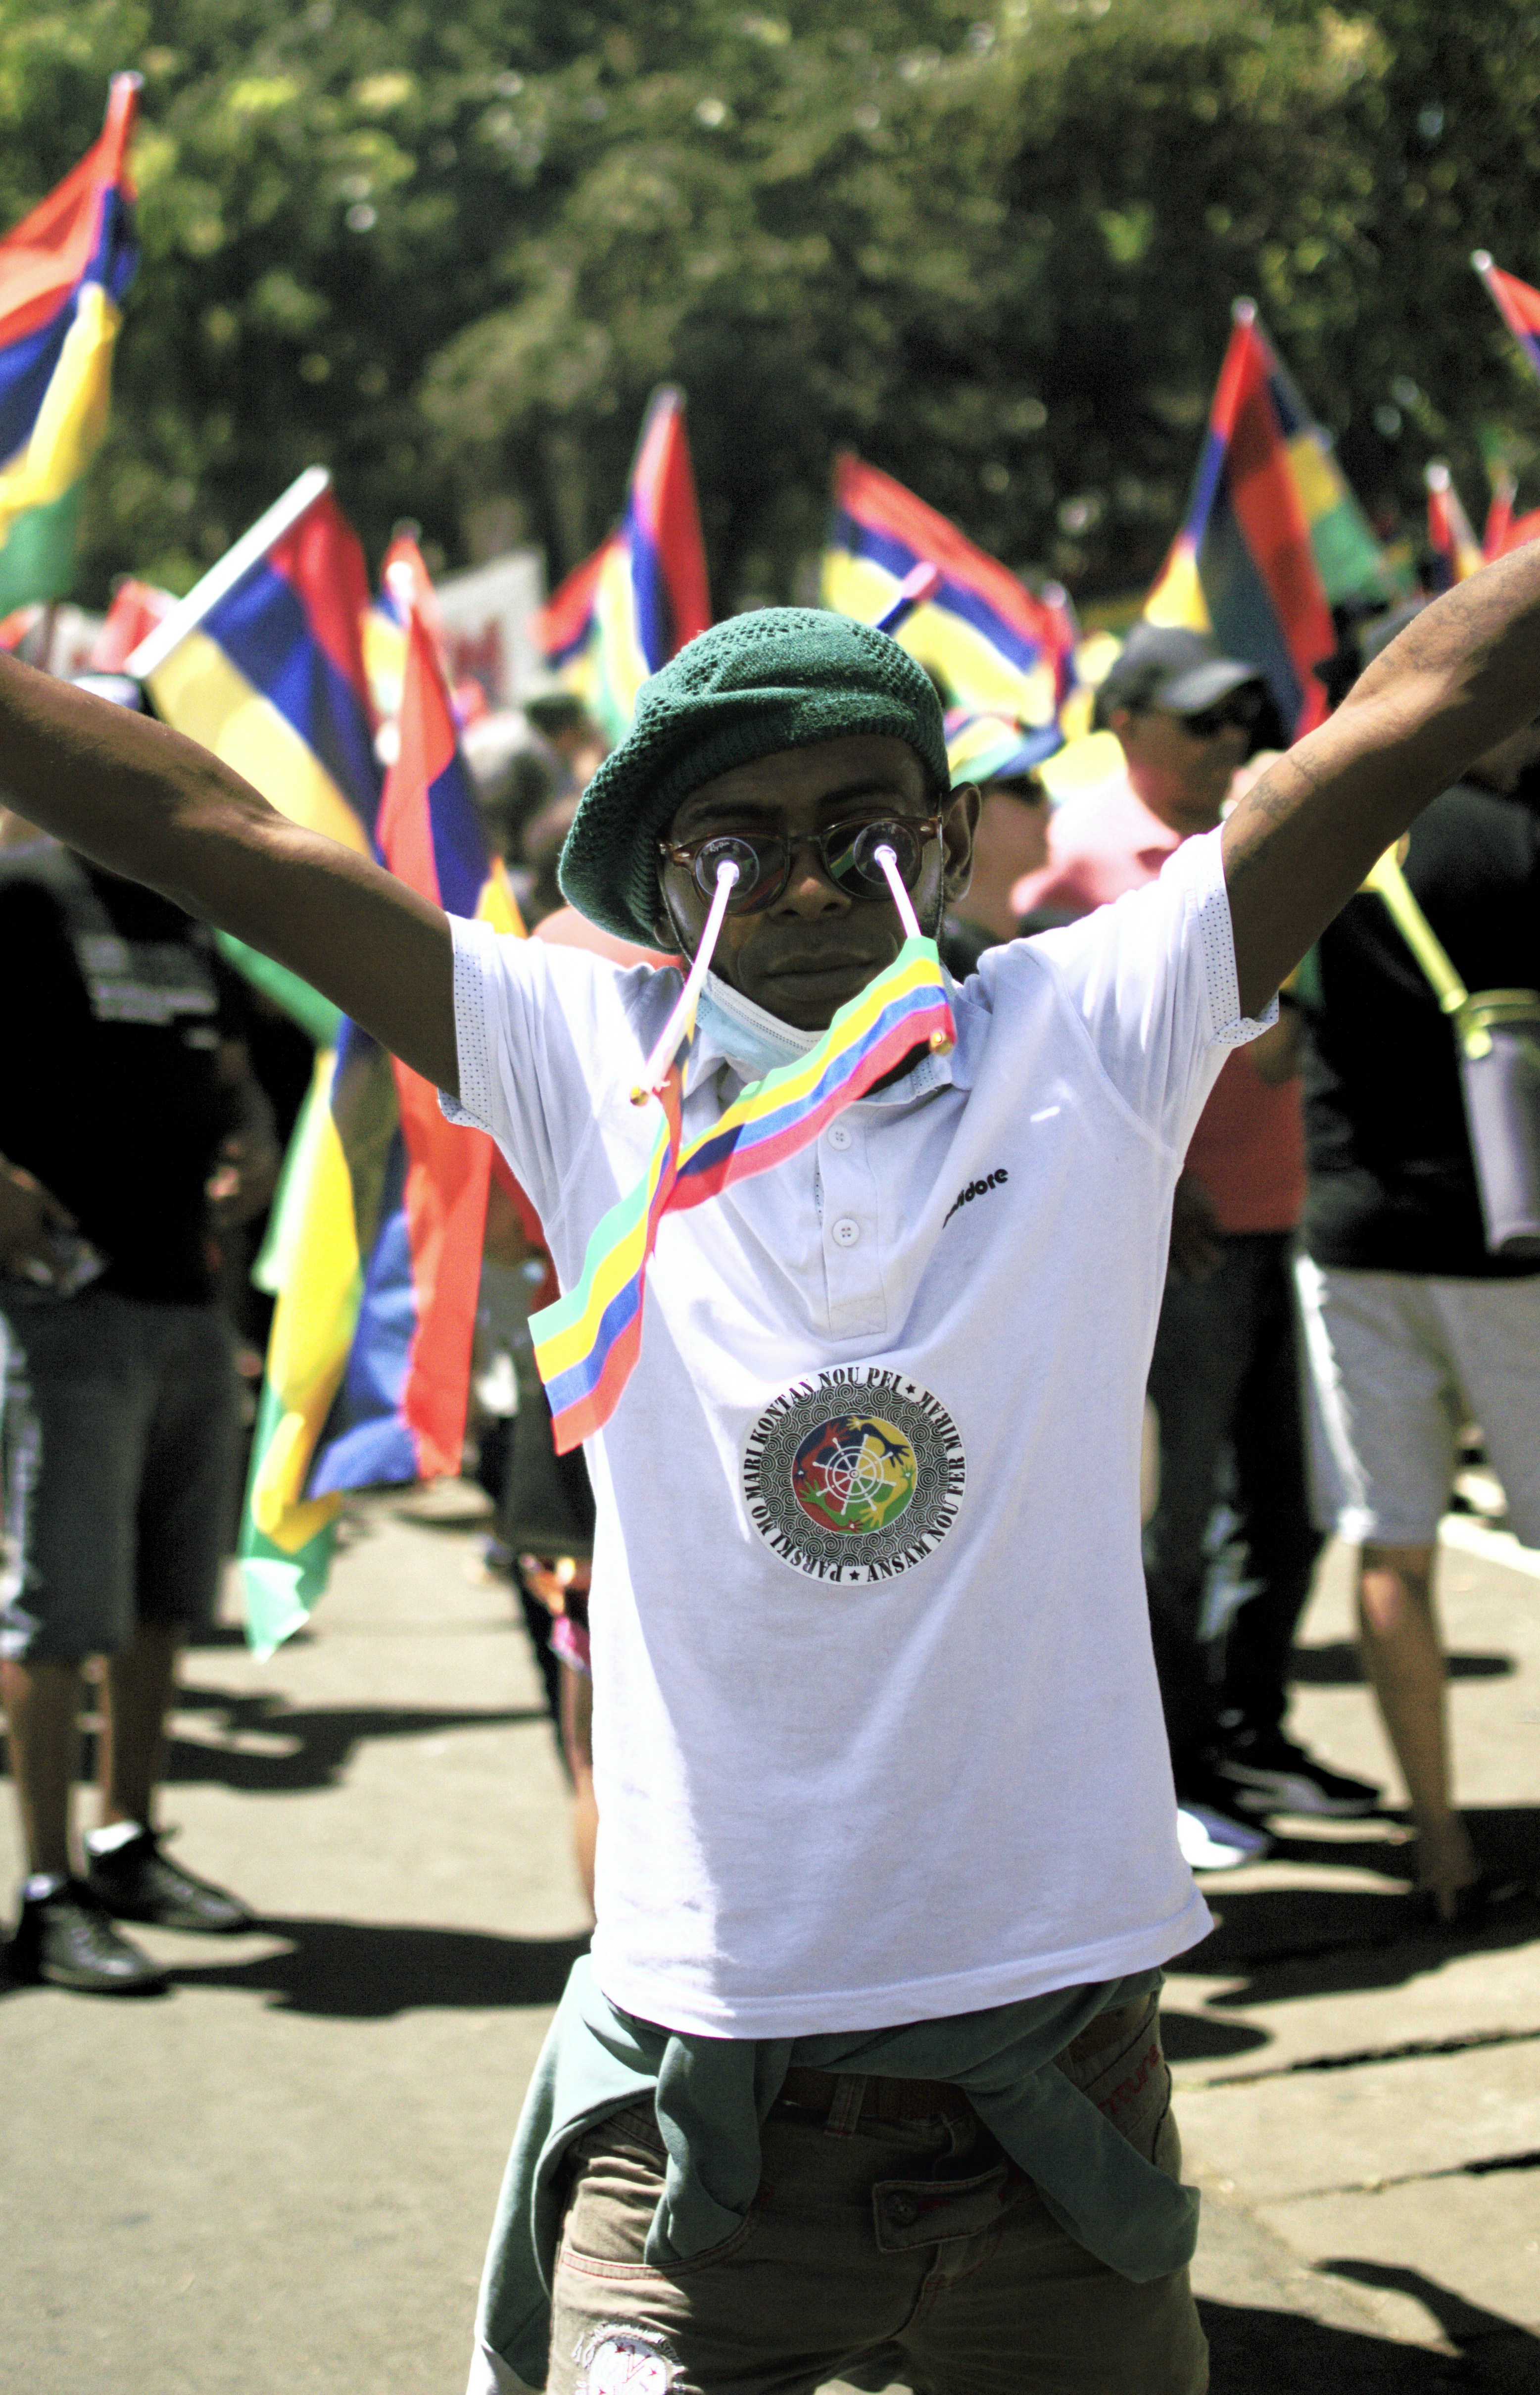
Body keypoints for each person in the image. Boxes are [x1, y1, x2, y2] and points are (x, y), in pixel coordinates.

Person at [0, 556, 1538, 2387]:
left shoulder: (1094, 1030)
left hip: (1067, 2105)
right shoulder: (584, 1064)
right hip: (700, 2130)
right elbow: (213, 832)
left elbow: (1410, 715)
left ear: (951, 836)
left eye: (858, 822)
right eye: (733, 842)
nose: (805, 879)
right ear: (660, 886)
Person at [1014, 624, 1377, 1869]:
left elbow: (1275, 1045)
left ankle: (1243, 1734)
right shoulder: (1072, 868)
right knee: (1164, 1527)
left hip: (1279, 1218)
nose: (1228, 740)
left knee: (1286, 1513)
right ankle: (1168, 1770)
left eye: (1240, 717)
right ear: (1120, 720)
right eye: (1200, 721)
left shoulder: (1242, 846)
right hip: (1171, 1248)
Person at [0, 798, 277, 1995]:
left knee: (165, 1599)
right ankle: (47, 1887)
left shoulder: (186, 923)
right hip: (63, 1311)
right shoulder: (21, 901)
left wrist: (257, 1132)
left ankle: (125, 1840)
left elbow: (240, 1069)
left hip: (185, 1306)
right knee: (57, 1612)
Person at [1293, 702, 1540, 1923]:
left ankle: (1437, 1843)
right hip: (1510, 1239)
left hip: (1351, 1235)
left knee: (1391, 1541)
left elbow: (1271, 1051)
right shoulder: (1508, 841)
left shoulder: (1322, 847)